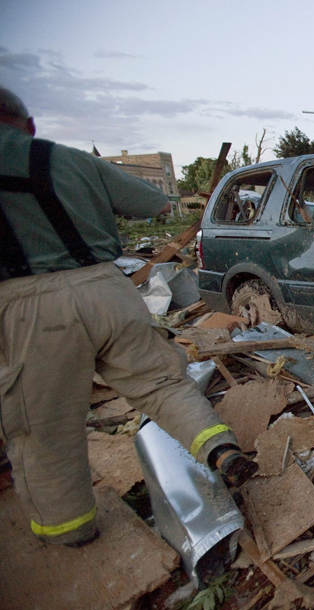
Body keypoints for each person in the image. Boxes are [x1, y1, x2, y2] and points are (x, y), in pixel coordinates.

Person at [0, 86, 257, 547]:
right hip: (107, 290)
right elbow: (153, 203)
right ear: (29, 124)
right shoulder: (66, 158)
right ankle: (221, 448)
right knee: (163, 384)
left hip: (27, 305)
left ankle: (71, 533)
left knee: (45, 430)